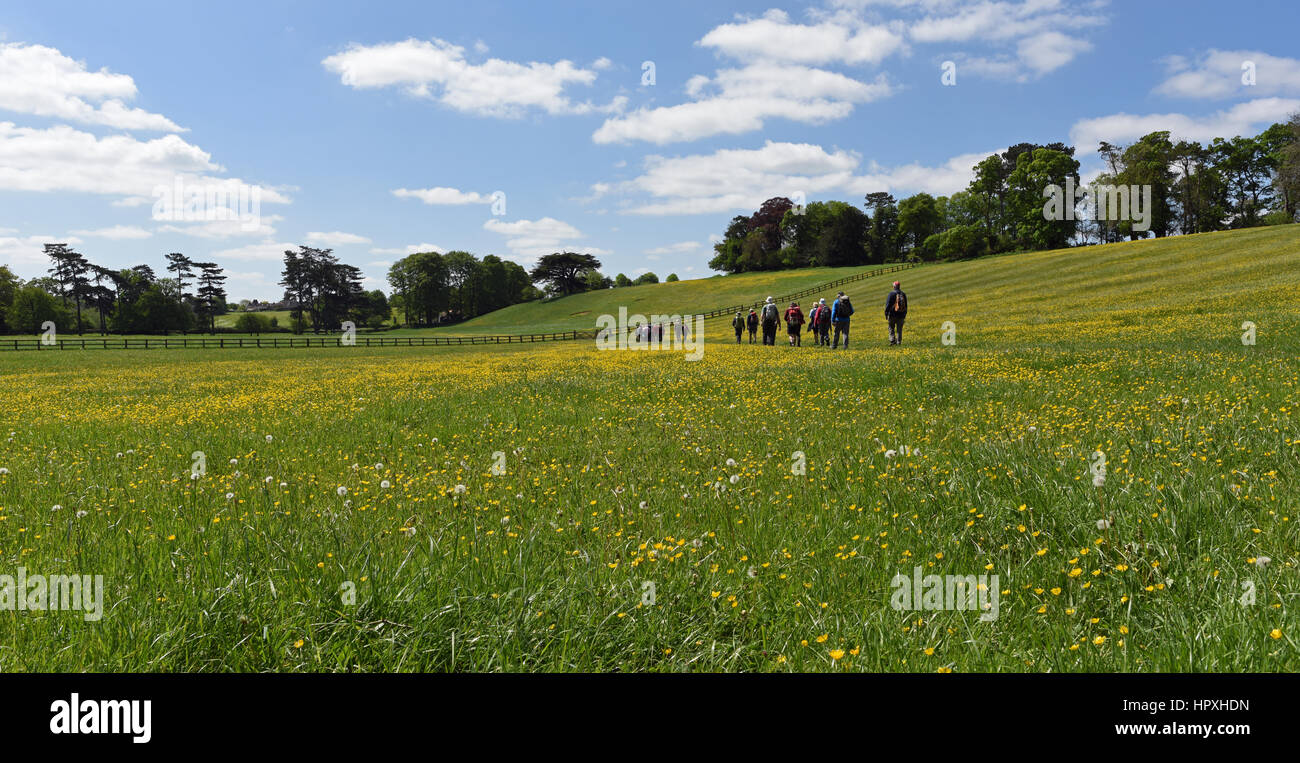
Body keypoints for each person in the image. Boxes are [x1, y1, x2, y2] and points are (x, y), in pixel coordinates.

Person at [885, 280, 907, 345]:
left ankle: (892, 340)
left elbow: (888, 304)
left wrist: (886, 313)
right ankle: (899, 342)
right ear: (899, 286)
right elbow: (906, 305)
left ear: (894, 286)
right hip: (901, 315)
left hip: (892, 315)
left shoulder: (891, 294)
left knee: (891, 328)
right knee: (899, 329)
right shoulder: (903, 294)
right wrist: (905, 314)